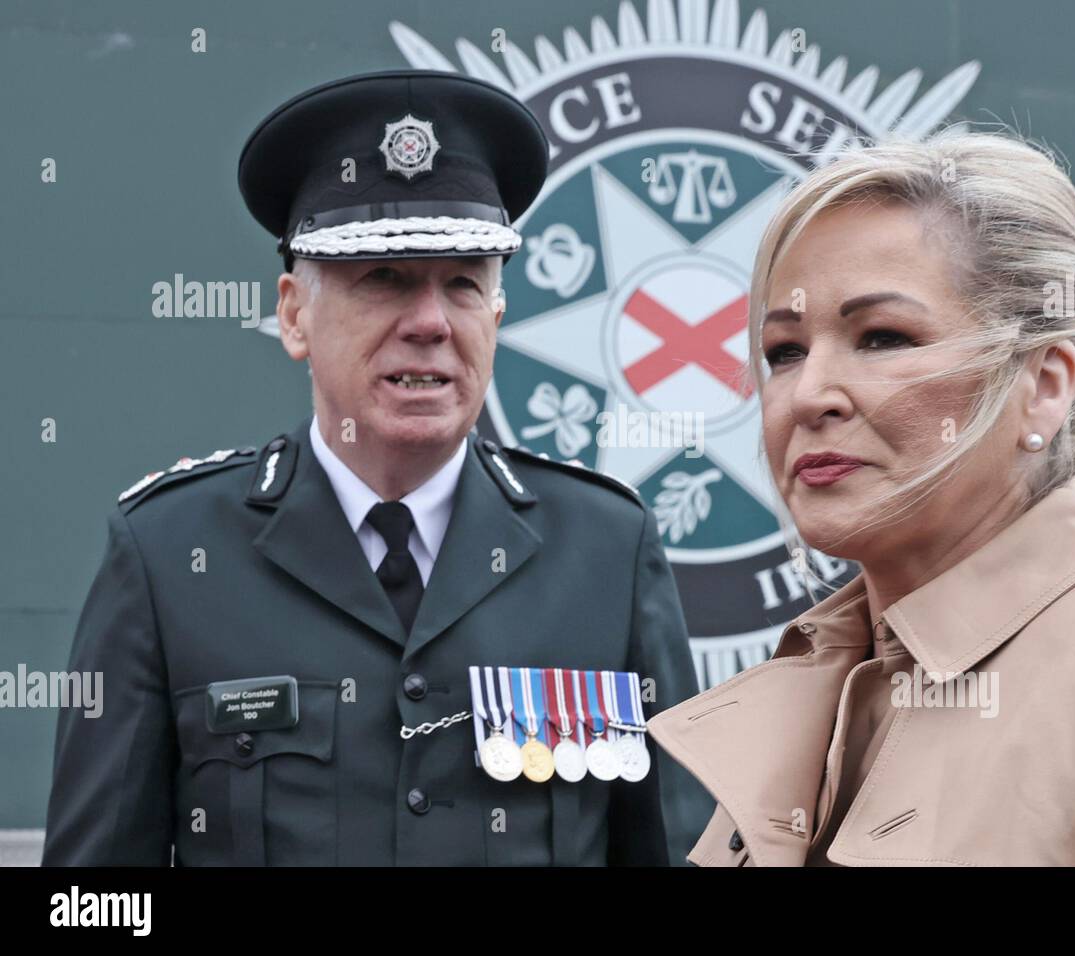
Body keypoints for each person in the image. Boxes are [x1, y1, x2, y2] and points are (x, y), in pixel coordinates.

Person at [43, 70, 711, 866]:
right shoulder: (167, 555)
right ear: (294, 314)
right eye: (383, 280)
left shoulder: (606, 551)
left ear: (496, 315)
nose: (429, 323)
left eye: (463, 283)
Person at [646, 128, 1075, 866]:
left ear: (1044, 385)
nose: (808, 395)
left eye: (883, 337)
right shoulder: (816, 688)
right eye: (784, 352)